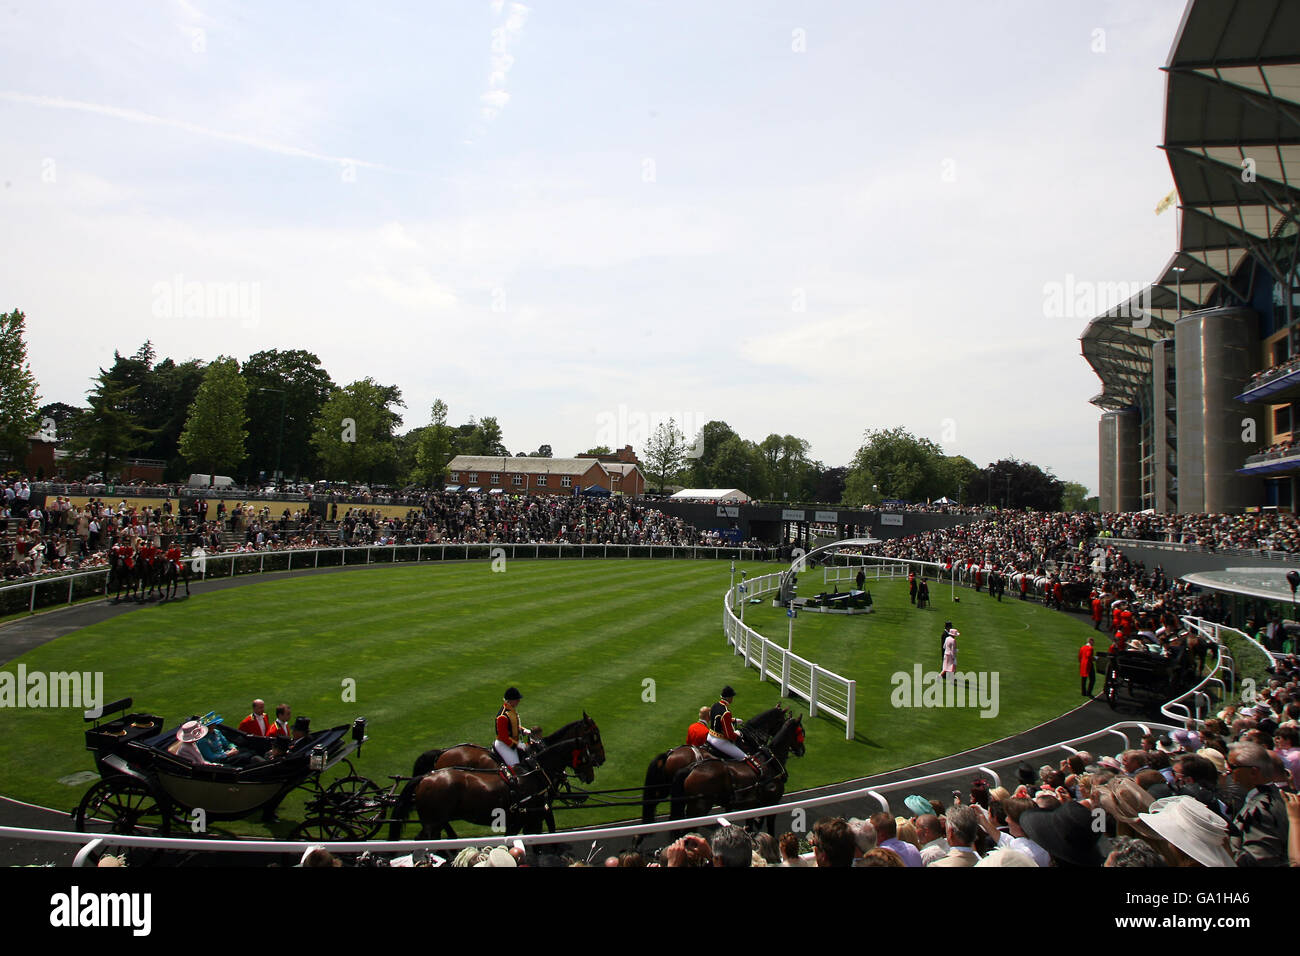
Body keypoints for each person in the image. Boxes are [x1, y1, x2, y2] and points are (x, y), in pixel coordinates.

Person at [494, 687, 529, 770]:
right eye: (517, 700)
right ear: (510, 700)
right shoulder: (502, 716)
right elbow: (503, 737)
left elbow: (513, 726)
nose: (518, 701)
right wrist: (517, 744)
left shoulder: (511, 711)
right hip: (504, 745)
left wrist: (523, 730)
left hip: (513, 741)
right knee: (516, 767)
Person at [707, 686, 745, 760]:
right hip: (719, 740)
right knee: (743, 757)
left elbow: (718, 720)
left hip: (709, 736)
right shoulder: (726, 712)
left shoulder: (714, 705)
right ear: (729, 698)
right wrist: (738, 737)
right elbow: (729, 735)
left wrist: (733, 720)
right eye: (732, 697)